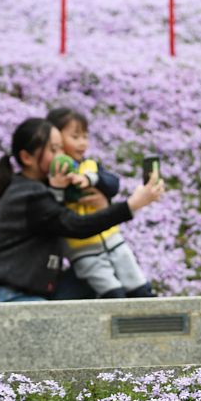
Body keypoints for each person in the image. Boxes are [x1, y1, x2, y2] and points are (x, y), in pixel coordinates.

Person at [0, 118, 164, 303]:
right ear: (27, 158)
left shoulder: (46, 188)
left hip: (37, 291)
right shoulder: (29, 195)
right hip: (11, 294)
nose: (62, 156)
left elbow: (107, 184)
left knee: (98, 273)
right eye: (54, 150)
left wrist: (101, 200)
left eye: (61, 148)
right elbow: (76, 225)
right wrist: (132, 205)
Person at [47, 106, 155, 298]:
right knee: (112, 294)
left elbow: (113, 184)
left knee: (139, 288)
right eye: (75, 137)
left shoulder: (91, 166)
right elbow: (54, 211)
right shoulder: (52, 175)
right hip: (82, 251)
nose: (82, 143)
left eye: (85, 137)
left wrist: (91, 179)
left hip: (114, 241)